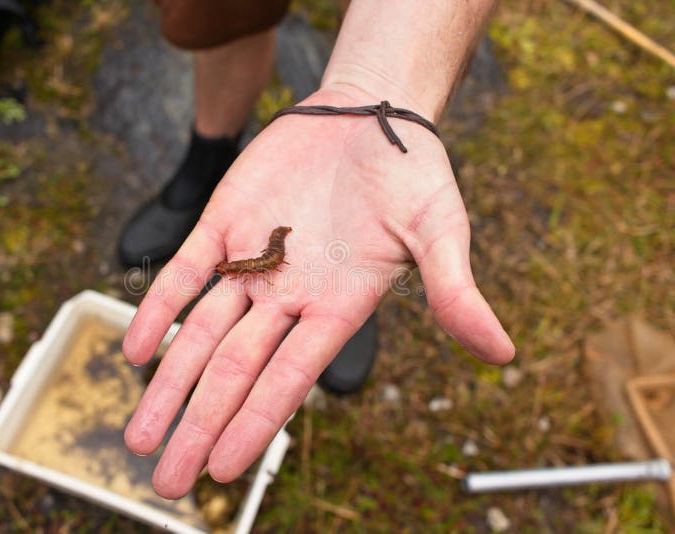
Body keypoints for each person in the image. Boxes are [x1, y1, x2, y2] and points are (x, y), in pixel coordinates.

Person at [121, 0, 515, 501]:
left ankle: (350, 275)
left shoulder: (268, 256)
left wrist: (376, 91)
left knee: (331, 260)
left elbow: (267, 260)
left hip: (292, 234)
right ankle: (209, 154)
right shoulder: (259, 261)